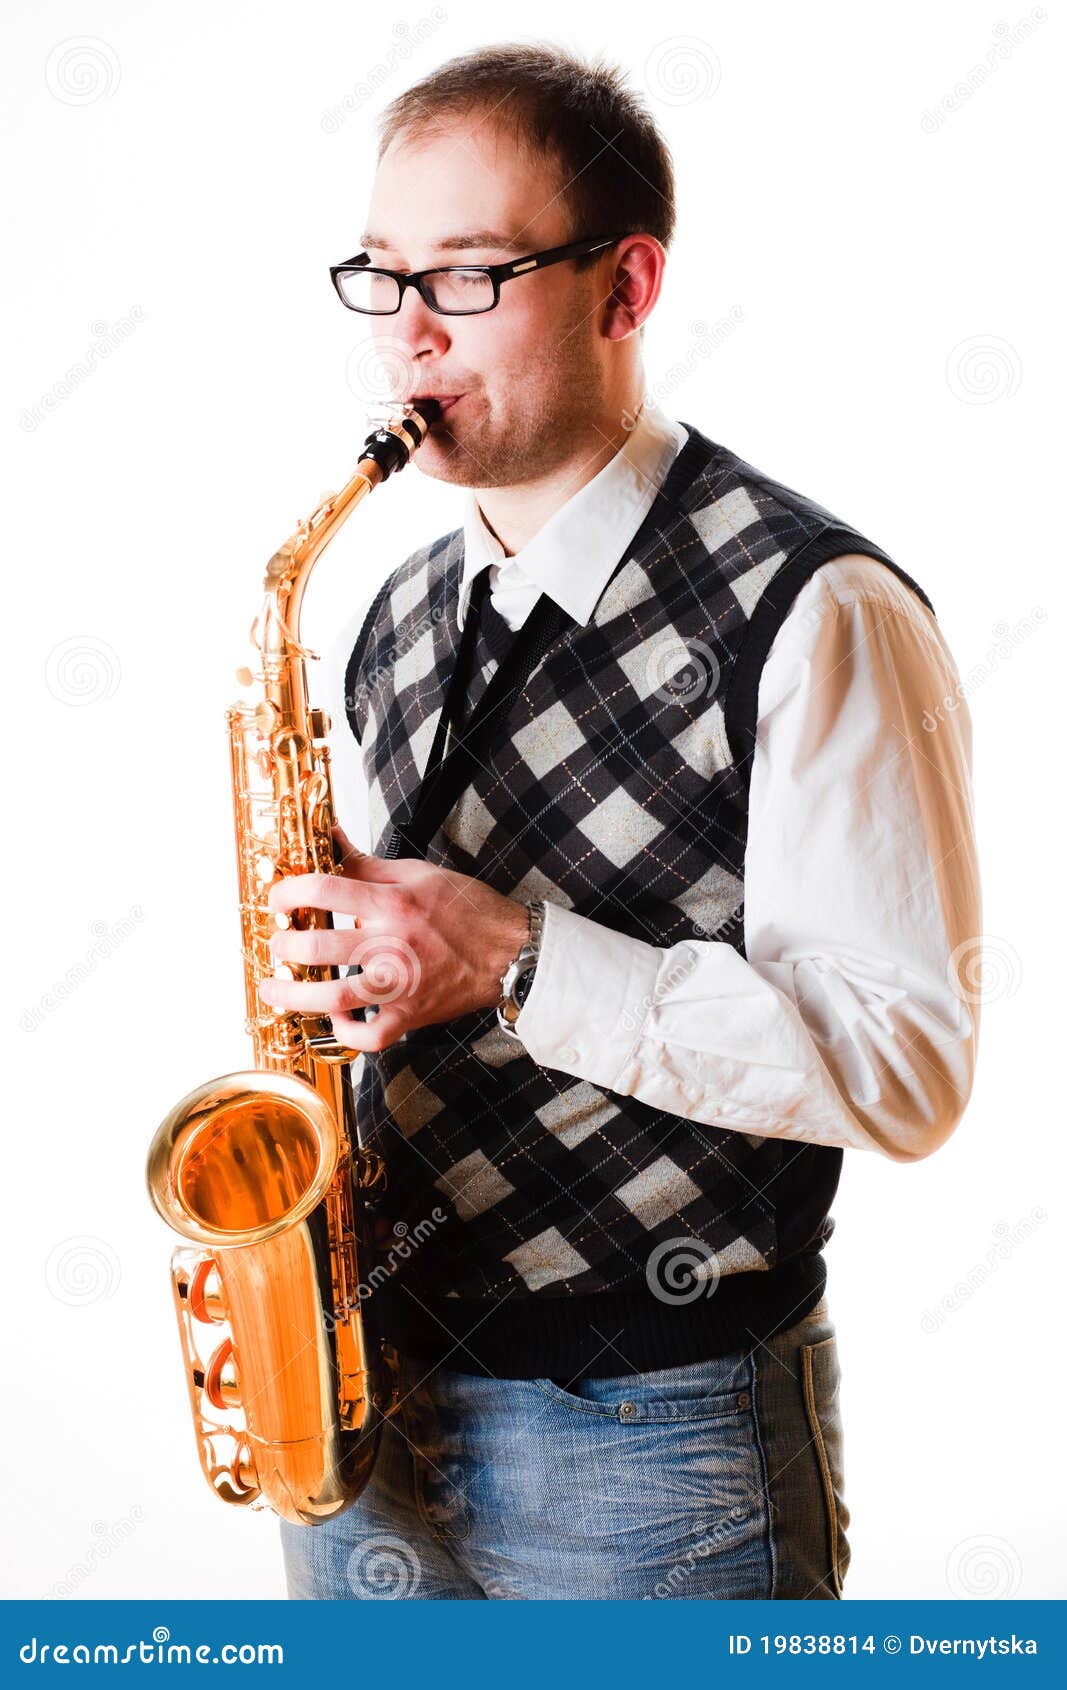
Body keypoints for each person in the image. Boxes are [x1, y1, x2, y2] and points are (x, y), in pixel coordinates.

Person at [260, 42, 980, 1600]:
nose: (409, 333)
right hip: (363, 1397)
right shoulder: (396, 611)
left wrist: (517, 957)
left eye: (467, 274)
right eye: (382, 277)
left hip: (655, 1440)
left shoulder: (816, 610)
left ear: (626, 285)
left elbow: (907, 1064)